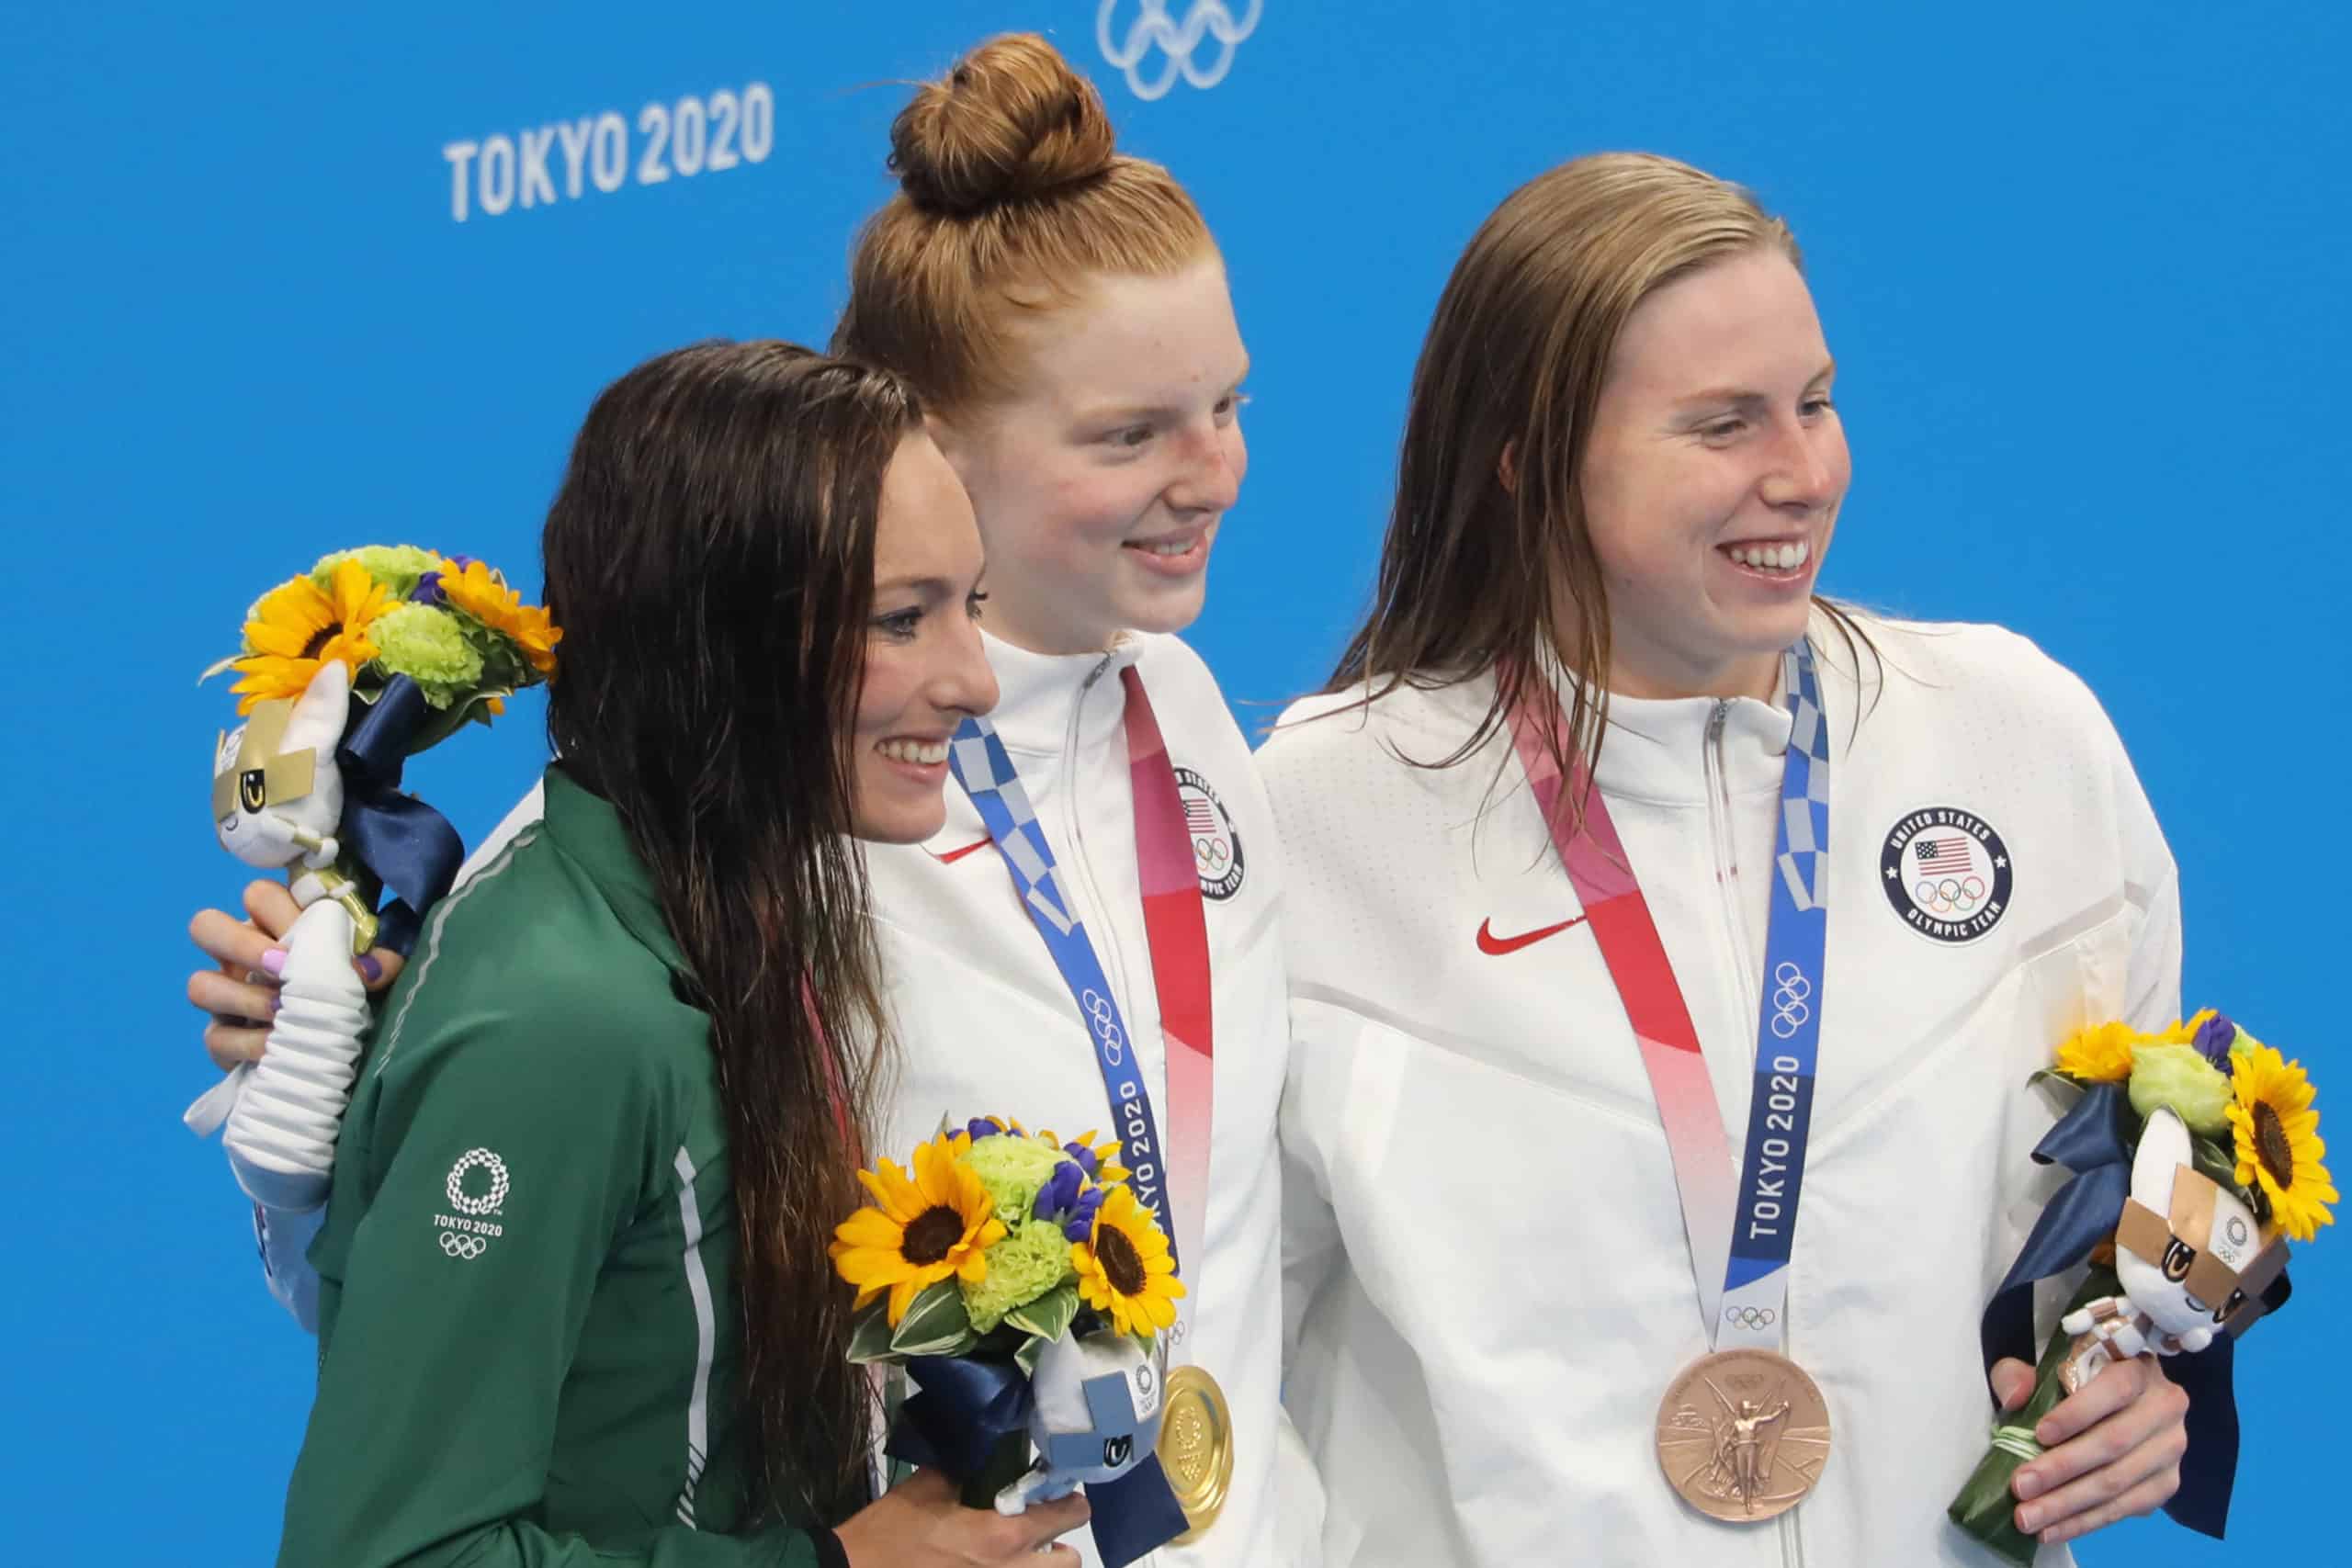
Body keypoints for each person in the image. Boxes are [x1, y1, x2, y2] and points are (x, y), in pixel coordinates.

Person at [189, 36, 1309, 1568]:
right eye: (1128, 432)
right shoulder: (696, 872)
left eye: (1230, 403)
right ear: (917, 427)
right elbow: (447, 1337)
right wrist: (326, 1055)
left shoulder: (1175, 704)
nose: (1218, 471)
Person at [1260, 152, 2200, 1565]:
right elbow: (1210, 1331)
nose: (1801, 472)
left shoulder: (2017, 741)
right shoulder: (1326, 815)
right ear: (1527, 464)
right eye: (1721, 426)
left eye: (1816, 404)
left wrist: (2153, 1365)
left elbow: (2152, 1184)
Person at [232, 338, 1107, 1566]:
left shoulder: (739, 907)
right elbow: (390, 1557)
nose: (970, 679)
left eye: (971, 604)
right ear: (714, 643)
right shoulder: (568, 1019)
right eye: (900, 621)